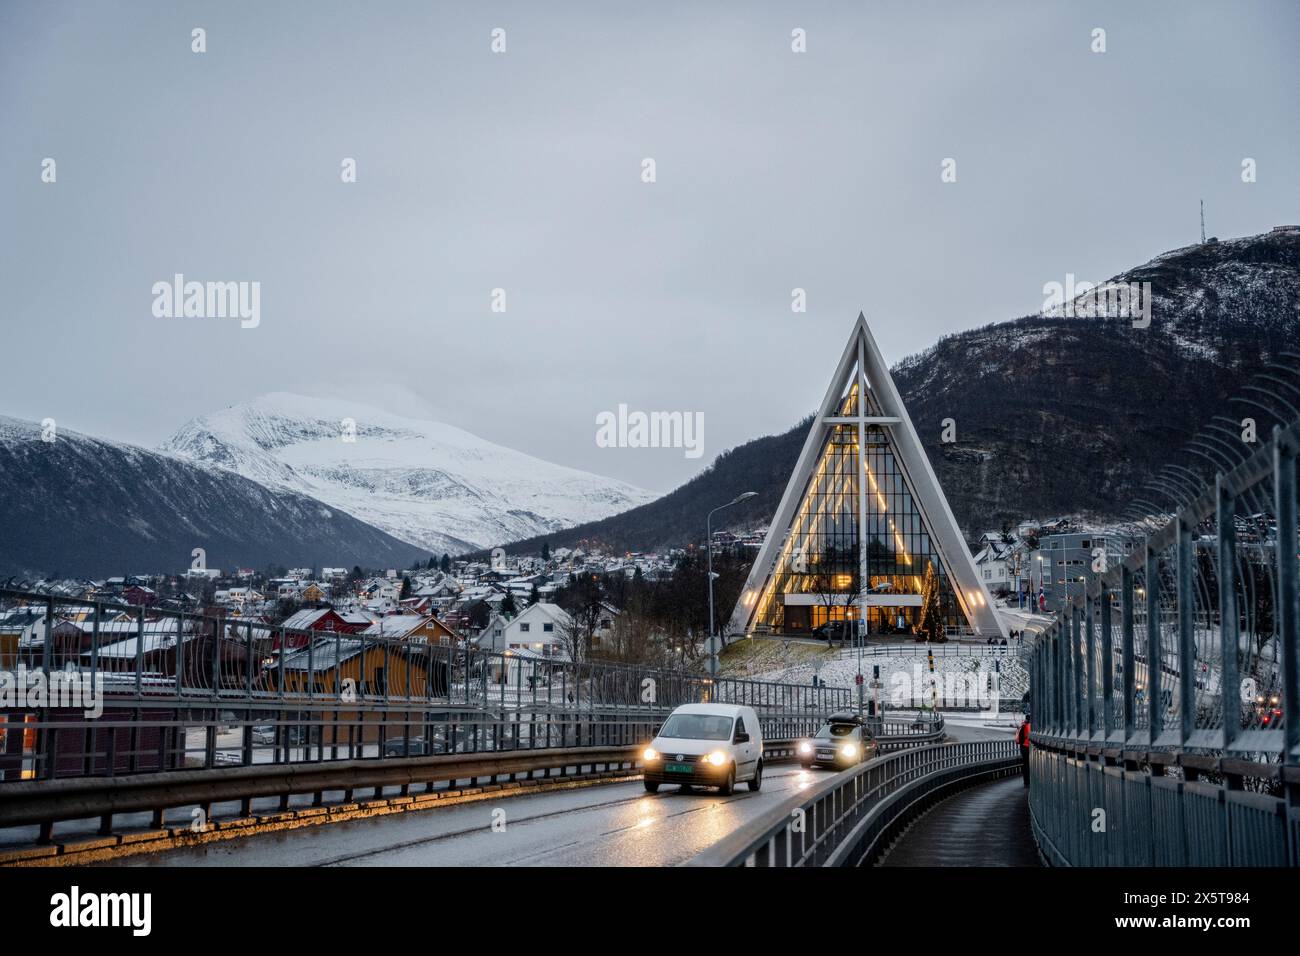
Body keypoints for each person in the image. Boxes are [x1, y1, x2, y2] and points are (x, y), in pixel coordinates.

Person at [1016, 716, 1032, 787]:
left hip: (1023, 747)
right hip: (1029, 747)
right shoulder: (1031, 726)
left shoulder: (1023, 725)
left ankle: (1026, 782)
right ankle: (1030, 781)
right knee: (1031, 764)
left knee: (1025, 764)